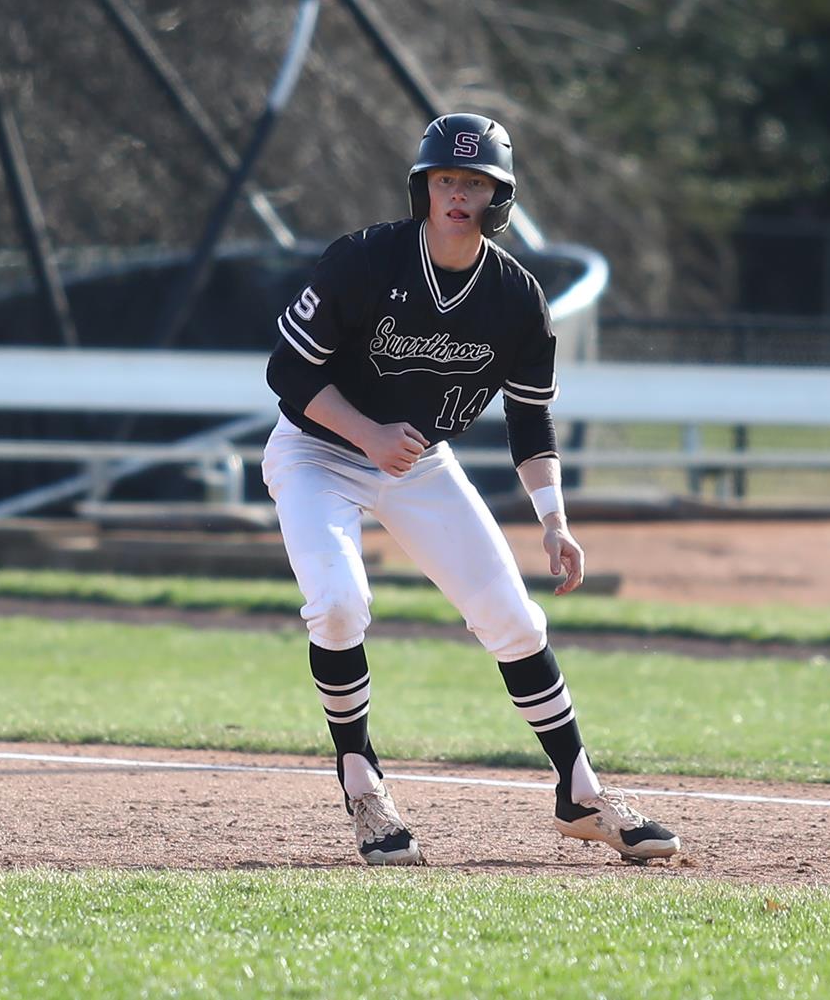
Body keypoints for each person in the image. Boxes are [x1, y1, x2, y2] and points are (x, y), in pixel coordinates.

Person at [262, 112, 680, 866]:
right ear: (423, 187)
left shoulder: (515, 297)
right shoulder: (366, 259)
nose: (459, 194)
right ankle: (362, 782)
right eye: (446, 179)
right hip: (318, 450)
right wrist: (368, 434)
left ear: (499, 197)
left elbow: (530, 416)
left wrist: (553, 519)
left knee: (513, 618)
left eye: (476, 182)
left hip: (419, 464)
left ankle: (580, 793)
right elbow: (288, 371)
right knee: (338, 602)